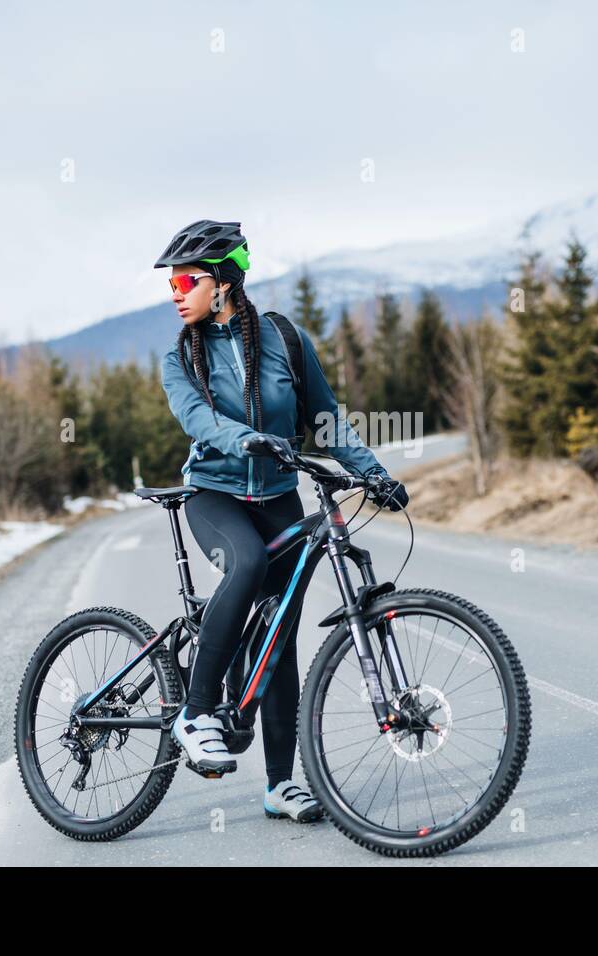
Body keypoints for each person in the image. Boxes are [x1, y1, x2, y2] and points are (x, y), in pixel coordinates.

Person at [155, 219, 408, 823]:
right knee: (244, 563)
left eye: (186, 280)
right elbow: (197, 419)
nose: (175, 292)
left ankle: (279, 784)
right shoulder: (178, 355)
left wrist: (374, 474)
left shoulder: (285, 340)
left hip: (278, 499)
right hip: (215, 495)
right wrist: (247, 441)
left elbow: (324, 418)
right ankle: (194, 712)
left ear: (222, 283)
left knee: (281, 636)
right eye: (171, 283)